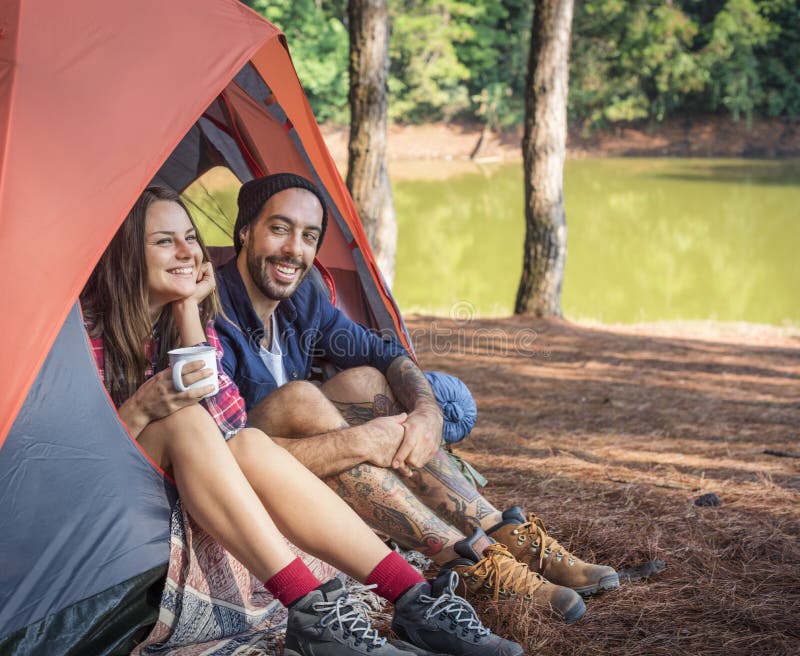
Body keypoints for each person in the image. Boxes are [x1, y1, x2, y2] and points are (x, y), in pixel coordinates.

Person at [80, 186, 523, 656]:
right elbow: (75, 462)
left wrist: (189, 309)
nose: (189, 252)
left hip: (194, 482)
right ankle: (310, 606)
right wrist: (143, 410)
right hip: (114, 494)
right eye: (165, 241)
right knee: (188, 421)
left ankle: (413, 596)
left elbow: (229, 426)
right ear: (129, 253)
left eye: (191, 237)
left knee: (248, 442)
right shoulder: (85, 332)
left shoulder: (190, 319)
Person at [214, 173, 620, 625]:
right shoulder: (209, 310)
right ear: (245, 230)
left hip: (305, 453)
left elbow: (386, 354)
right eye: (279, 228)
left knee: (364, 379)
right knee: (298, 400)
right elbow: (223, 454)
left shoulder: (301, 297)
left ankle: (501, 532)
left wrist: (427, 415)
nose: (295, 249)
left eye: (309, 236)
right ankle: (469, 563)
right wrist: (362, 442)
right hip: (247, 468)